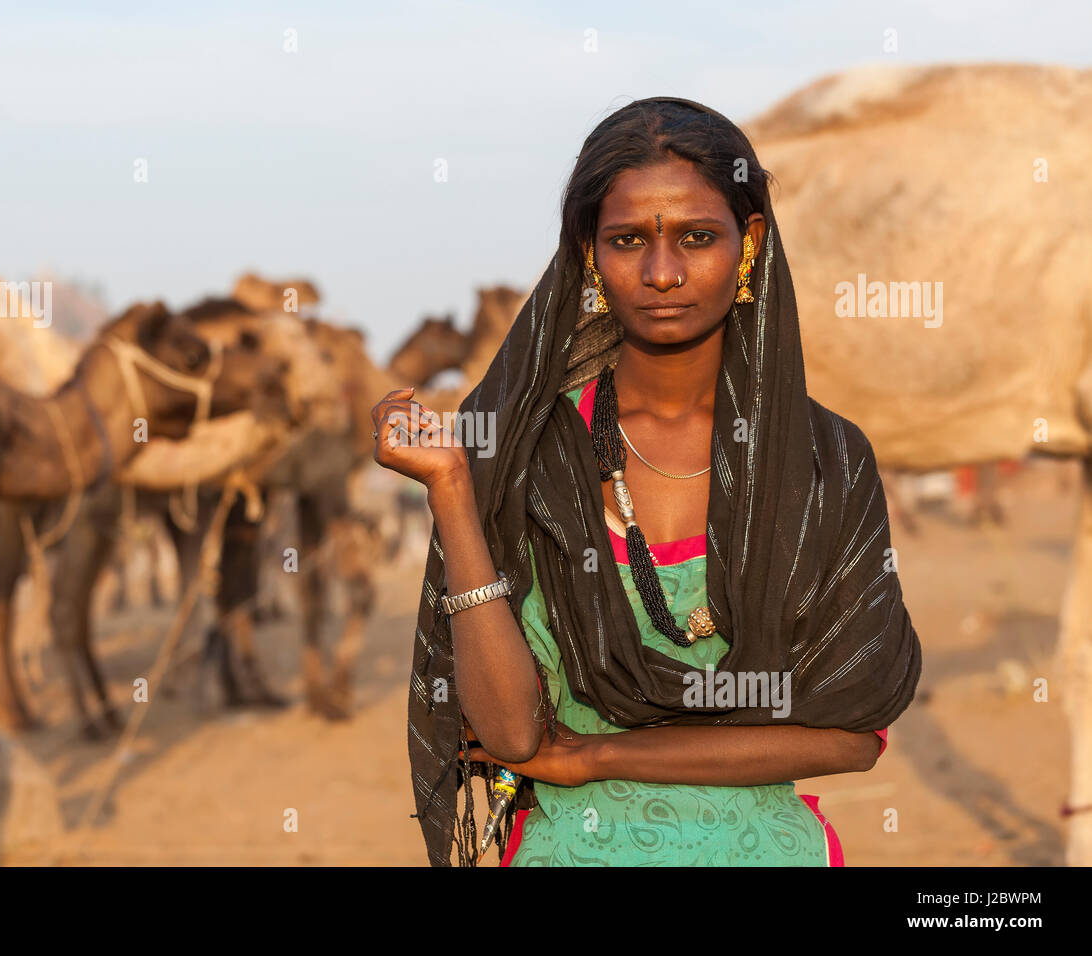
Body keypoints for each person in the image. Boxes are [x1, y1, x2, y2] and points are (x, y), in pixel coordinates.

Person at [371, 96, 921, 867]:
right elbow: (510, 734)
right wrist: (456, 498)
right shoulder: (530, 453)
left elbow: (853, 737)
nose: (663, 272)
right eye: (628, 240)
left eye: (698, 237)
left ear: (750, 242)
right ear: (590, 255)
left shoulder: (825, 458)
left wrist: (596, 758)